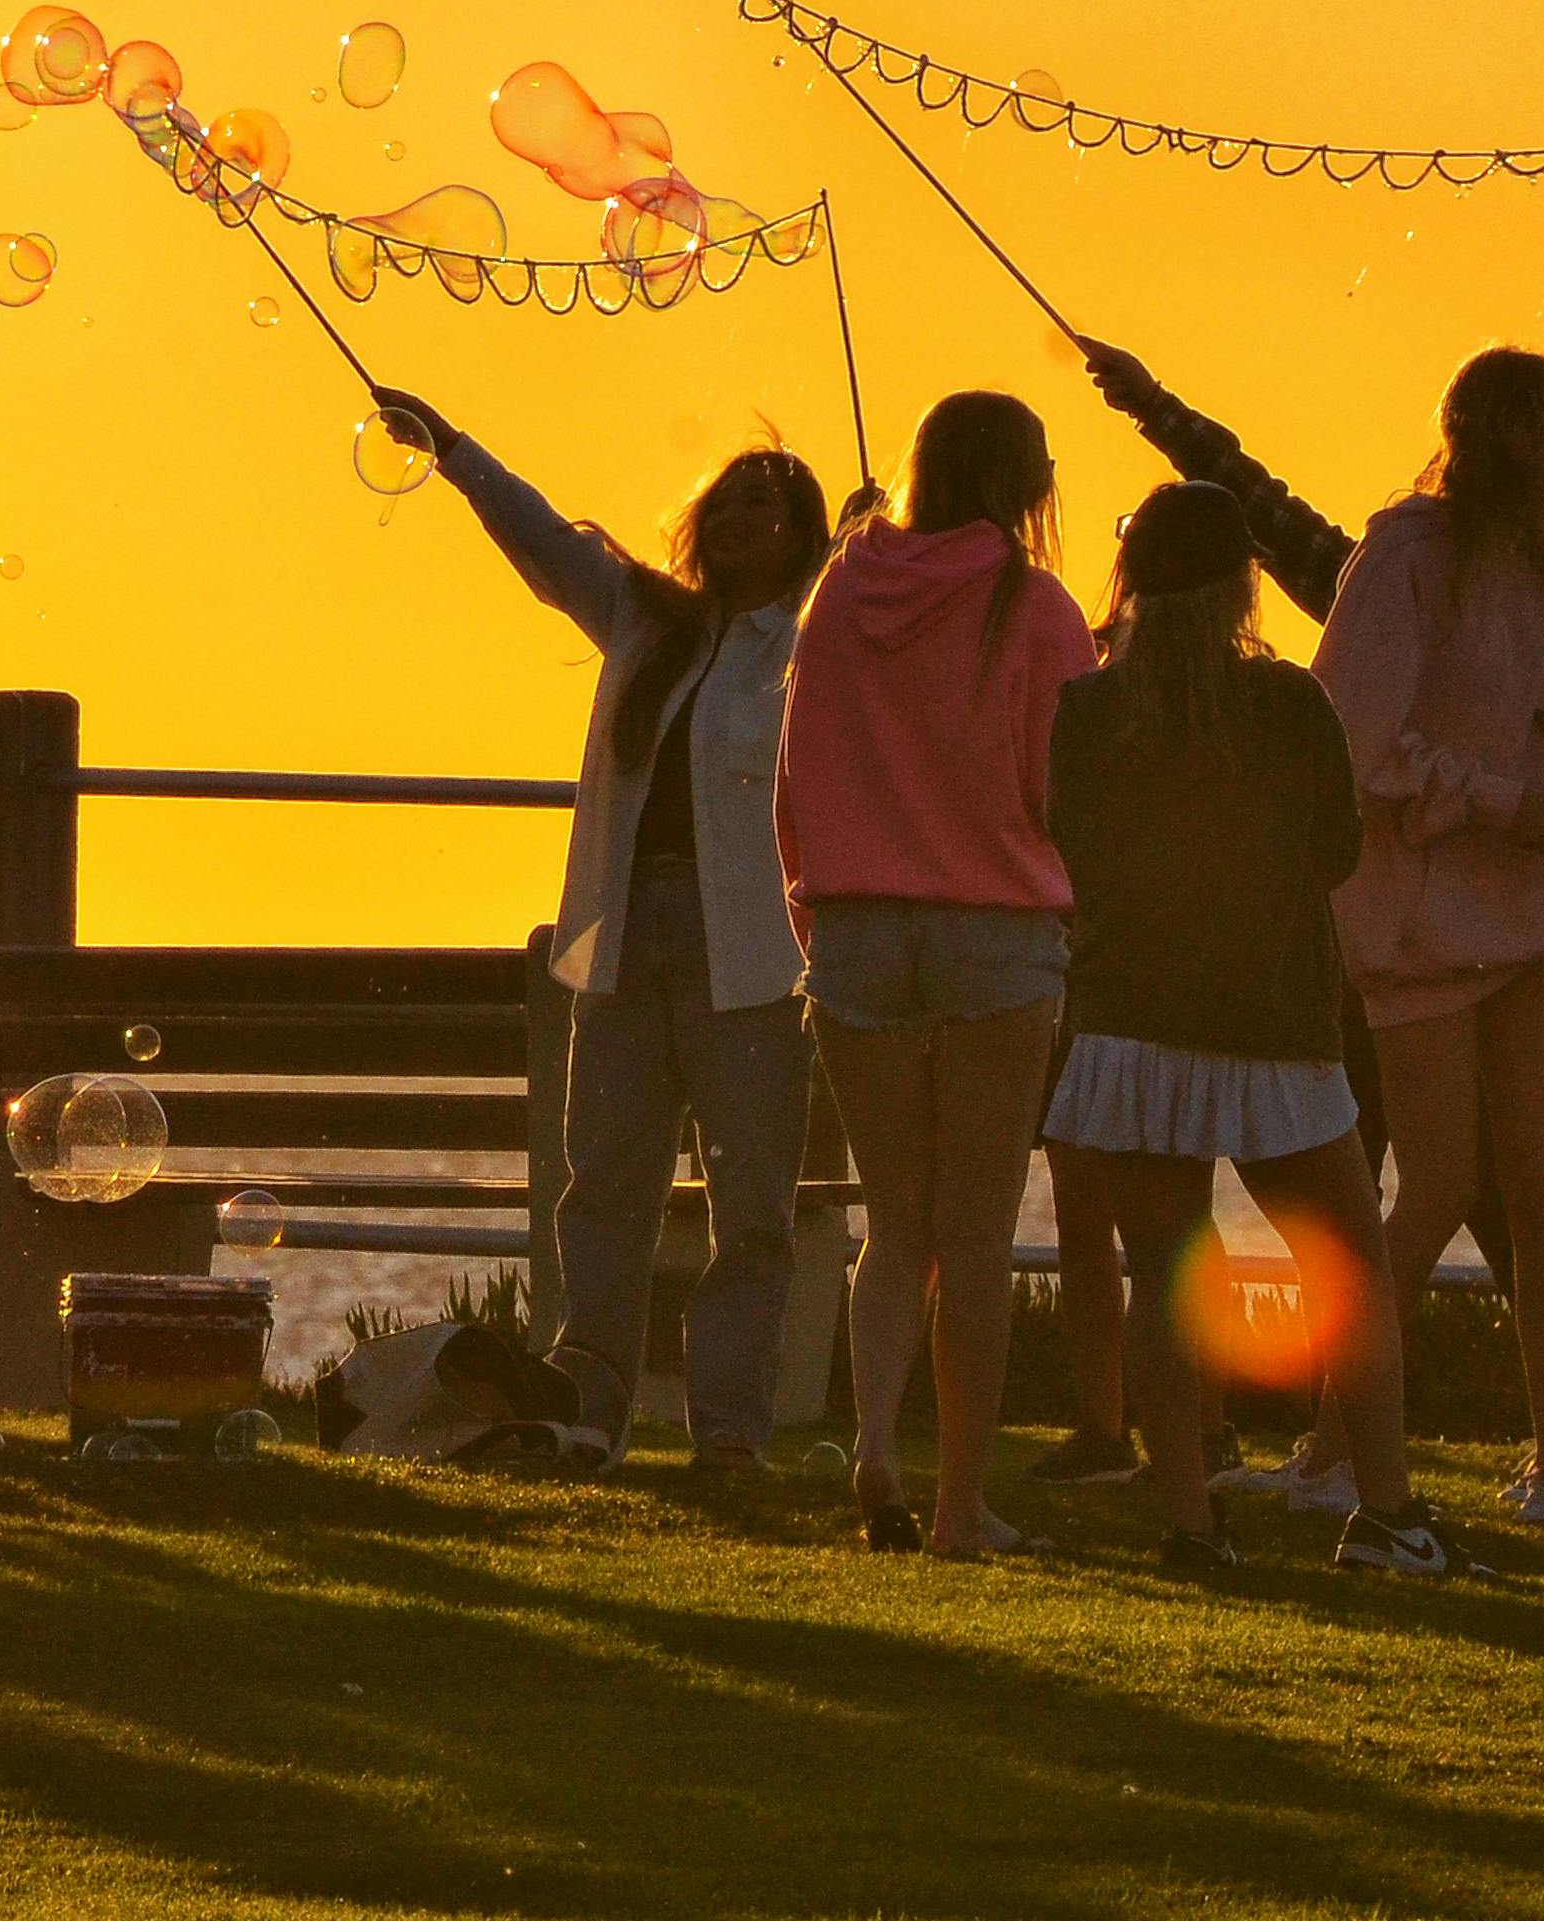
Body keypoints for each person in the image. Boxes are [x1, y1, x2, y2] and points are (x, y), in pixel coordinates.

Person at [1083, 338, 1544, 1527]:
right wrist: (1502, 800)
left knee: (1536, 1181)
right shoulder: (1401, 555)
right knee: (1433, 1178)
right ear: (1510, 435)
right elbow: (1361, 739)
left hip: (1527, 911)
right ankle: (1341, 1443)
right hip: (1419, 923)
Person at [380, 387, 829, 1474]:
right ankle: (587, 1417)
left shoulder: (817, 637)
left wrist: (860, 552)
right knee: (604, 1190)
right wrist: (451, 443)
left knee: (754, 1206)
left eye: (765, 504)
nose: (737, 519)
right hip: (629, 933)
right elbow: (537, 535)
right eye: (725, 501)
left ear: (804, 535)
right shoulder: (644, 619)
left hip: (756, 950)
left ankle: (728, 1436)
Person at [1043, 483, 1464, 1580]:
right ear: (1238, 582)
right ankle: (1383, 1510)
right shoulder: (1282, 704)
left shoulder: (1083, 715)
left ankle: (1189, 1521)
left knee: (1164, 1274)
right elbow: (1333, 849)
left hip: (1128, 1022)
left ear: (1128, 582)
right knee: (1347, 1264)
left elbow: (1068, 854)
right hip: (1272, 1023)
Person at [778, 390, 1096, 1558]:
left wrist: (813, 904)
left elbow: (793, 773)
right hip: (994, 938)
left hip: (857, 933)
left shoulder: (839, 593)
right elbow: (1056, 786)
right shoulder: (1037, 607)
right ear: (1019, 479)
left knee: (891, 1222)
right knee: (972, 1233)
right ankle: (961, 1504)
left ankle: (870, 1445)